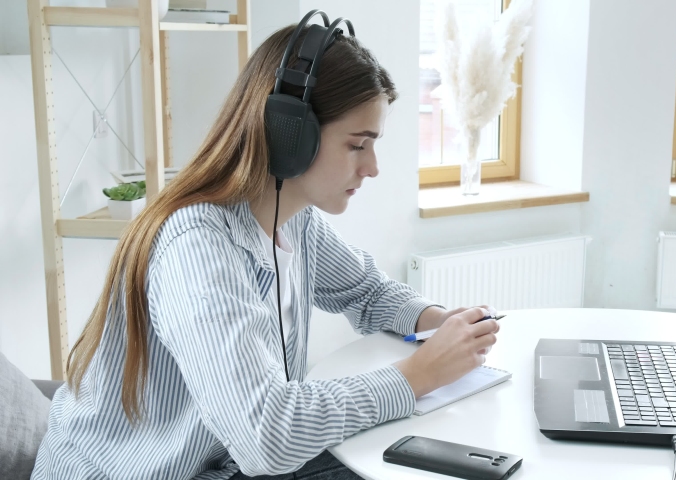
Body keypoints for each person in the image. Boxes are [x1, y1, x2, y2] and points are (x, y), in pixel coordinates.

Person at [31, 18, 500, 480]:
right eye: (358, 145)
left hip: (220, 463)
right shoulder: (196, 249)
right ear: (289, 136)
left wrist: (440, 324)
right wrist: (417, 375)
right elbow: (267, 436)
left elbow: (368, 292)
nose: (372, 168)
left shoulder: (295, 221)